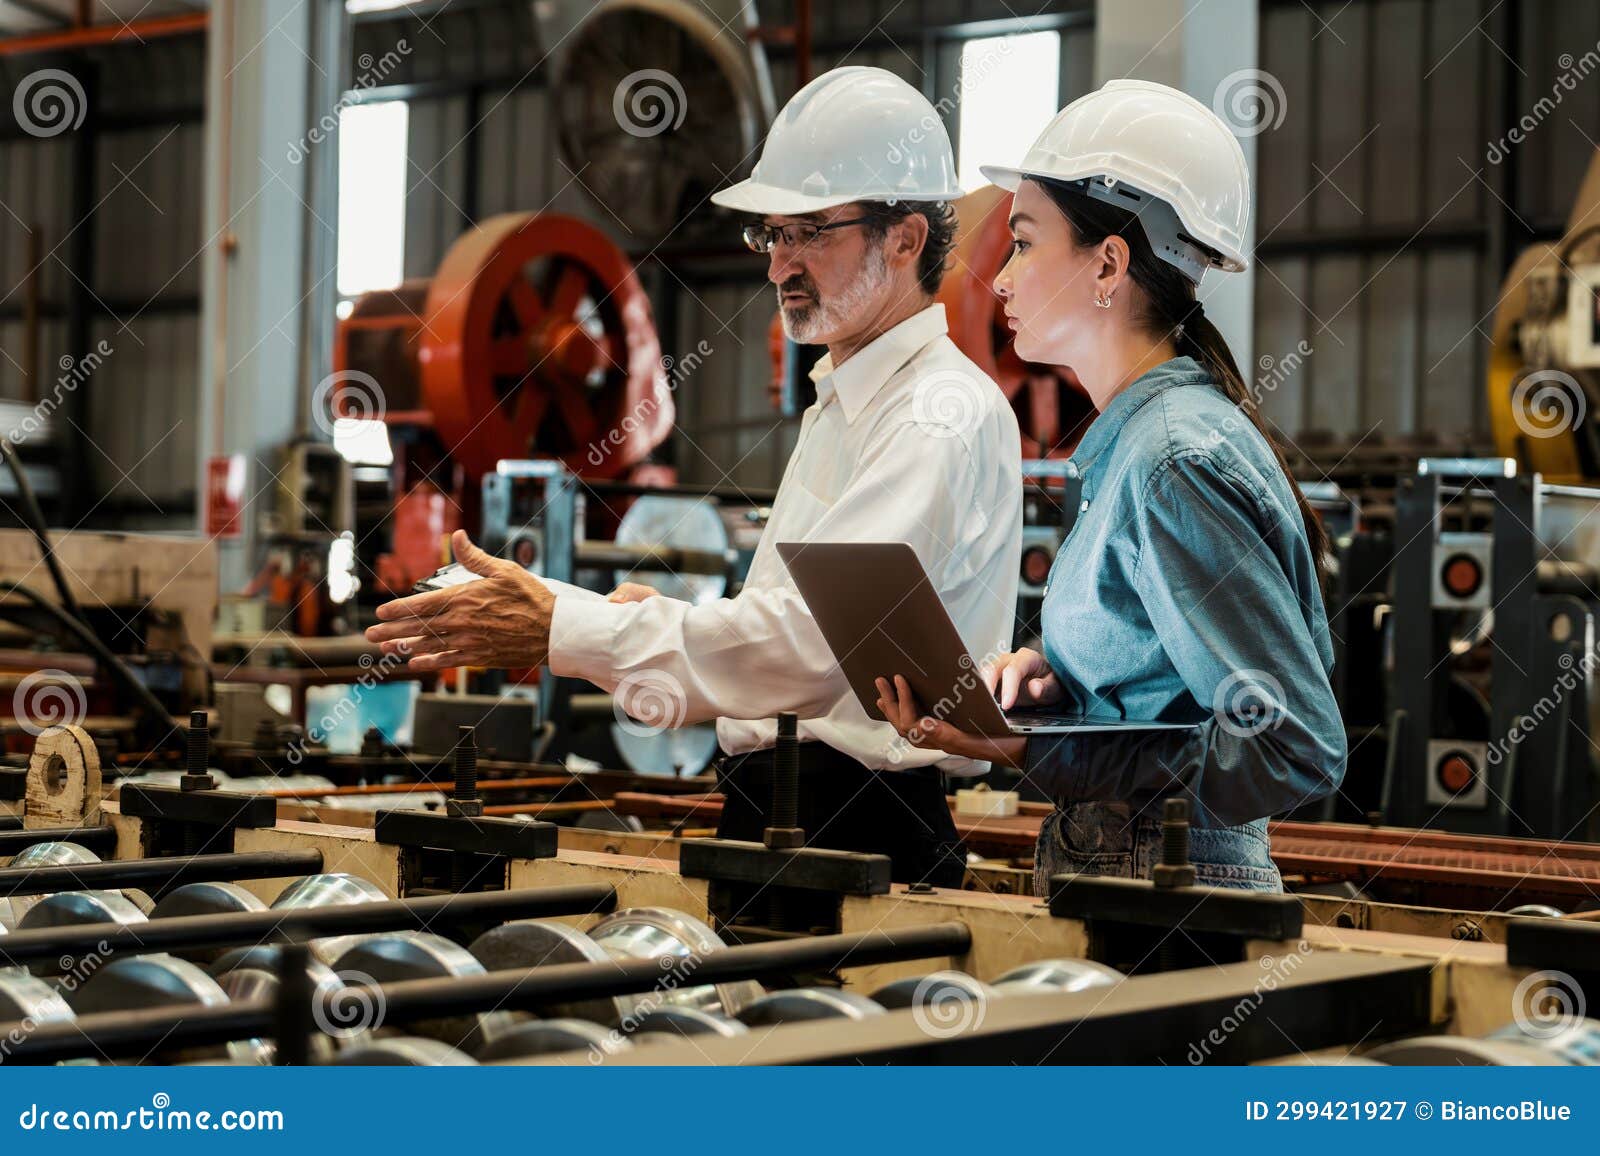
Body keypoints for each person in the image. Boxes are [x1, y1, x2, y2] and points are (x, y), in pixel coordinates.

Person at [366, 66, 1023, 887]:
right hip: (786, 808)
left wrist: (561, 628)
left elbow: (813, 648)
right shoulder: (846, 405)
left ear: (906, 239)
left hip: (857, 824)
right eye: (771, 235)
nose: (780, 263)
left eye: (810, 231)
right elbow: (795, 625)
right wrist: (621, 613)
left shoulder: (934, 414)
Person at [874, 79, 1347, 894]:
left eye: (1024, 243)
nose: (1002, 279)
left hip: (1169, 899)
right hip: (1133, 879)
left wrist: (1035, 748)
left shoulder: (1174, 463)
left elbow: (1292, 745)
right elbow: (1169, 695)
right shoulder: (1135, 448)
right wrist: (1063, 687)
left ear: (1109, 264)